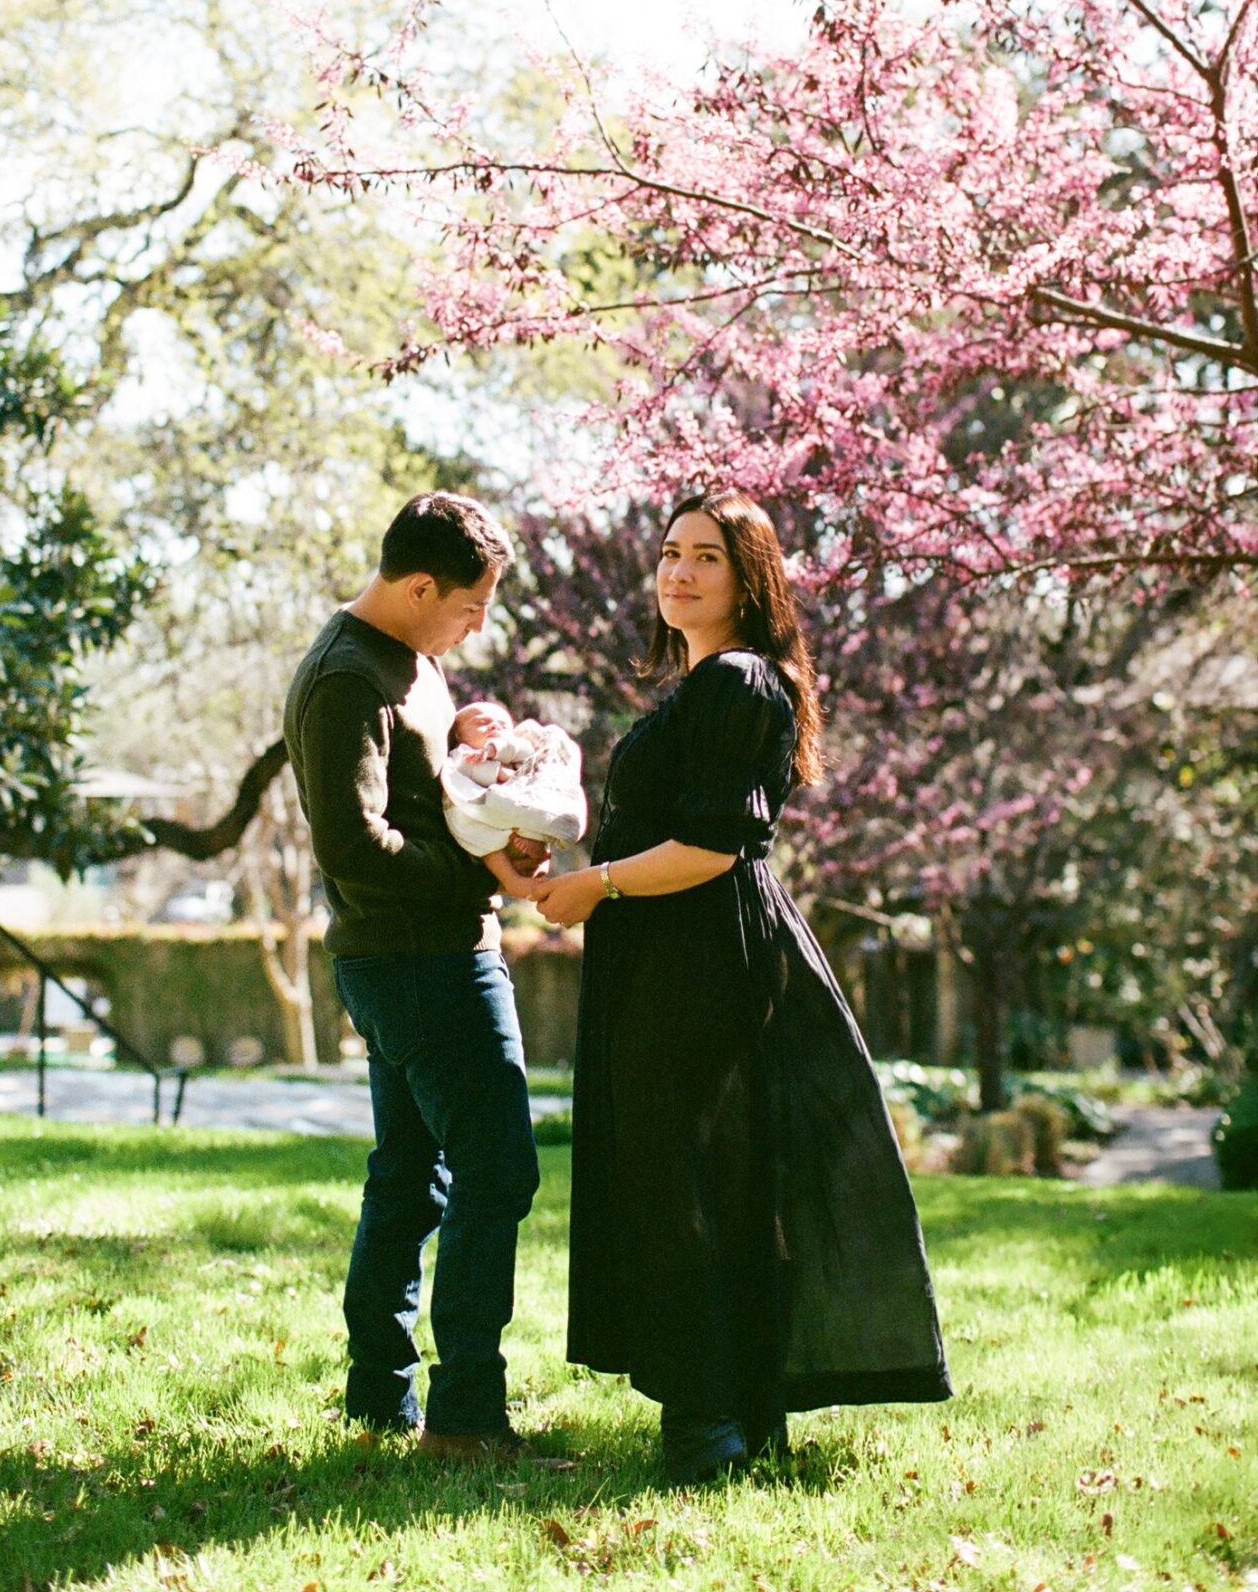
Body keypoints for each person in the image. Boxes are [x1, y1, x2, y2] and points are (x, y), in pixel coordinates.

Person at [534, 489, 953, 1483]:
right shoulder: (697, 683)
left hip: (701, 957)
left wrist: (594, 883)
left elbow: (714, 846)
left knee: (685, 1176)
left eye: (705, 557)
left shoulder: (737, 679)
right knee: (690, 1173)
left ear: (747, 577)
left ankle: (707, 1419)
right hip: (661, 949)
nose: (677, 571)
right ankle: (722, 1409)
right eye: (668, 552)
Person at [283, 492, 543, 1463]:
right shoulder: (344, 677)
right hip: (417, 961)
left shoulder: (413, 660)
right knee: (496, 1167)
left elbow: (419, 789)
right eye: (469, 606)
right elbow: (357, 847)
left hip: (422, 952)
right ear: (418, 584)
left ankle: (376, 1401)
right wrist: (486, 871)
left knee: (409, 1176)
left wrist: (472, 733)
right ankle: (467, 1417)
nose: (476, 625)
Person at [441, 700, 587, 875]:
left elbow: (524, 751)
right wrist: (500, 772)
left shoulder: (514, 750)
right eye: (482, 722)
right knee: (491, 850)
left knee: (538, 806)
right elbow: (467, 769)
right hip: (488, 814)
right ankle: (512, 879)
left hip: (521, 803)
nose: (494, 727)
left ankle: (537, 842)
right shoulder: (463, 754)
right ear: (458, 735)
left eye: (503, 725)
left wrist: (496, 749)